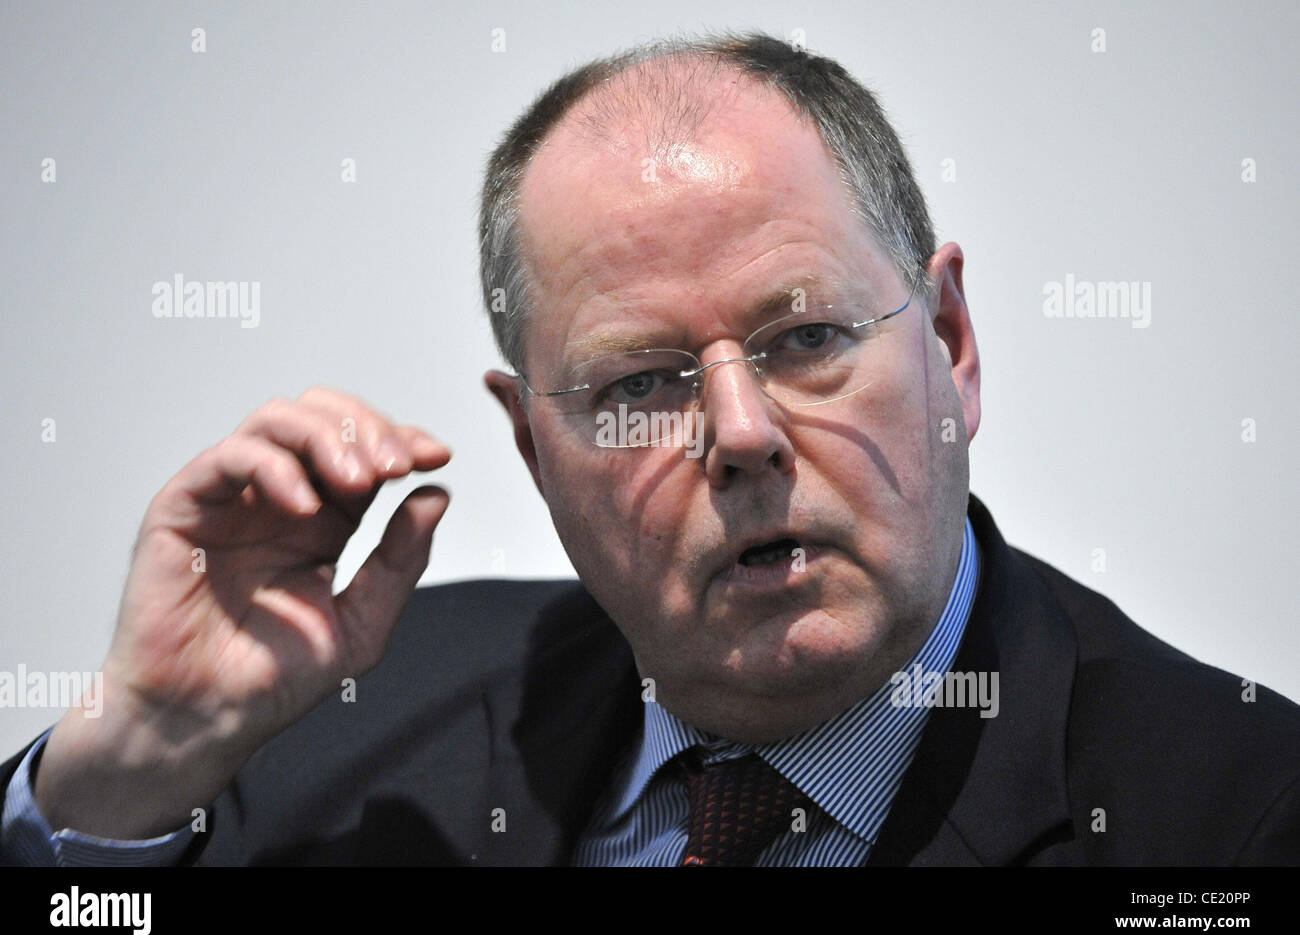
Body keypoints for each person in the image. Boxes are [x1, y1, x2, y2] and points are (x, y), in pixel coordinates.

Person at [3, 31, 1297, 866]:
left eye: (805, 340)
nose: (740, 436)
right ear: (530, 444)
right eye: (638, 382)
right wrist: (136, 772)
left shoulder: (1237, 821)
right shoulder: (343, 730)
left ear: (950, 341)